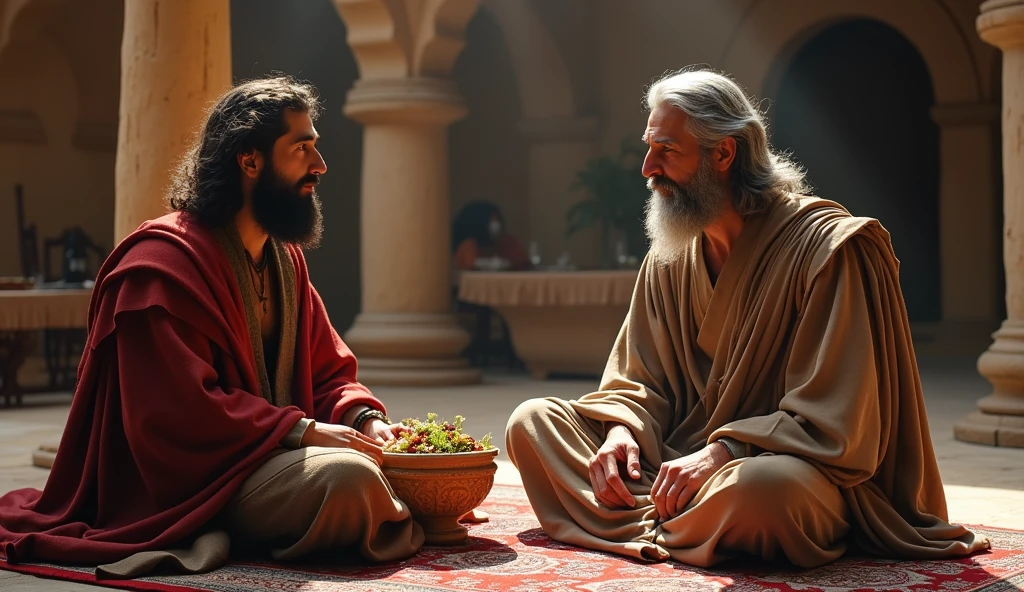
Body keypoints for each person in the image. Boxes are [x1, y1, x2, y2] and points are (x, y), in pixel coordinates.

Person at [504, 67, 989, 568]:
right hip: (674, 464)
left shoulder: (828, 248)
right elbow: (636, 381)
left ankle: (644, 520)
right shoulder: (669, 256)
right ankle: (685, 522)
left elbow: (836, 423)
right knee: (532, 423)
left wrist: (725, 453)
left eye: (666, 150)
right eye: (649, 148)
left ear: (724, 153)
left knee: (765, 492)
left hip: (787, 469)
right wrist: (621, 434)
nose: (647, 167)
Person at [0, 75, 423, 578]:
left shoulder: (284, 259)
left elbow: (329, 369)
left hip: (265, 459)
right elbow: (175, 412)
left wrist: (362, 423)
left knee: (402, 462)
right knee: (349, 480)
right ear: (249, 160)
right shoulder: (159, 264)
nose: (320, 165)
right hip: (199, 482)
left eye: (316, 146)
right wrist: (305, 432)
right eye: (302, 147)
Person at [452, 201, 529, 271]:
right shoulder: (469, 246)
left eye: (498, 219)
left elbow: (523, 263)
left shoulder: (509, 242)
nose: (496, 224)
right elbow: (464, 268)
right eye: (492, 220)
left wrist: (508, 264)